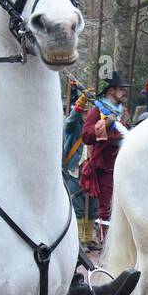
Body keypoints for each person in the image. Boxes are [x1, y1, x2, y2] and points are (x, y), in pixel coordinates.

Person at [80, 71, 130, 239]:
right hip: (105, 165)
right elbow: (86, 136)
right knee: (106, 207)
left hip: (123, 163)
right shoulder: (98, 110)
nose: (124, 92)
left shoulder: (123, 110)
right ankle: (105, 240)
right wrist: (106, 124)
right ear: (111, 91)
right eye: (121, 89)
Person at [62, 79, 98, 248]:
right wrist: (81, 102)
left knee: (92, 207)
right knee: (78, 207)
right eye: (84, 112)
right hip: (75, 170)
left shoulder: (95, 126)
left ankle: (88, 239)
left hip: (91, 169)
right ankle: (77, 240)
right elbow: (70, 121)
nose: (87, 114)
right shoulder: (73, 127)